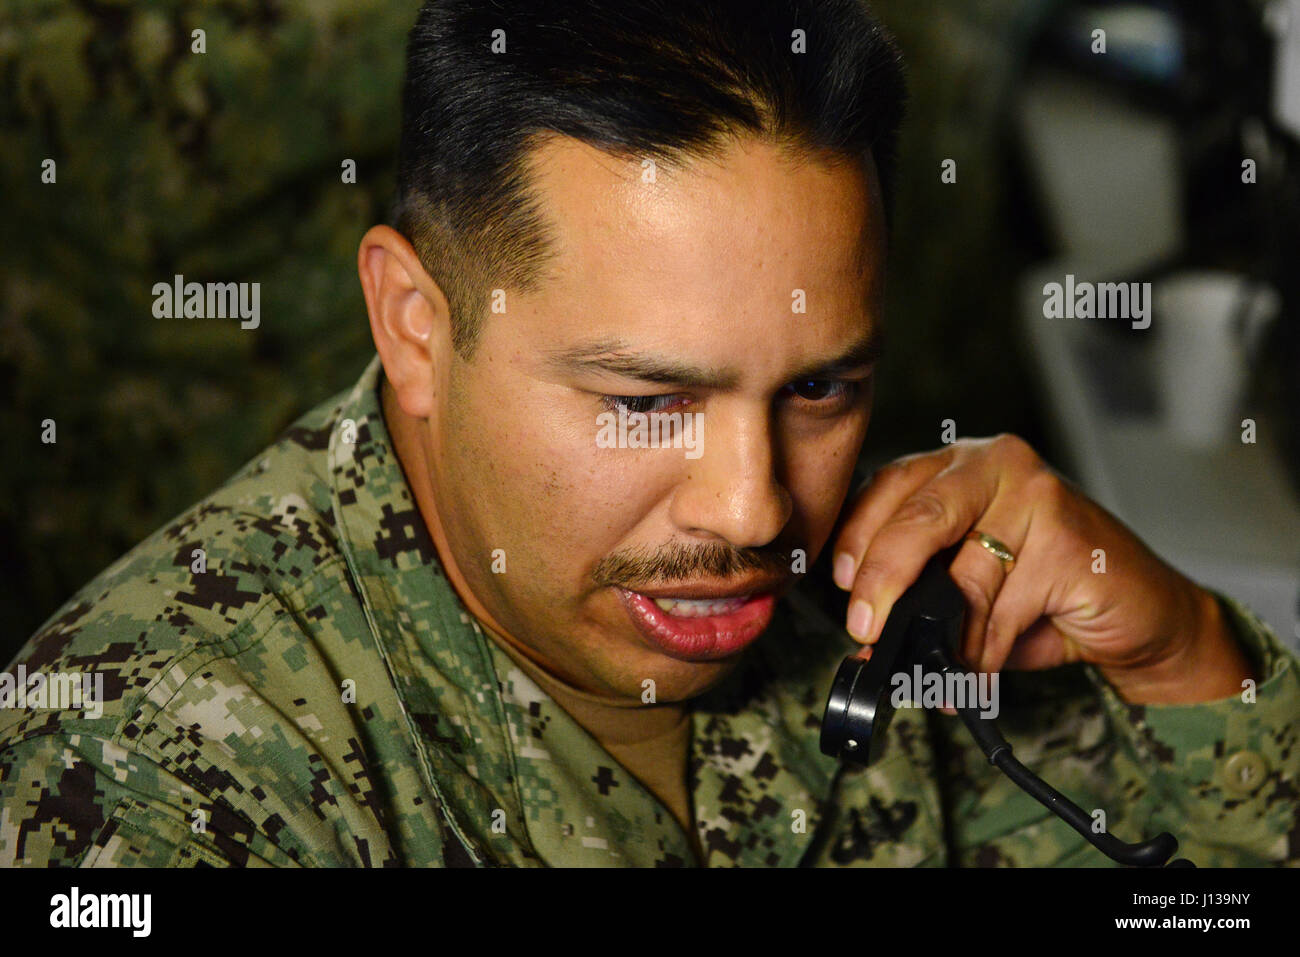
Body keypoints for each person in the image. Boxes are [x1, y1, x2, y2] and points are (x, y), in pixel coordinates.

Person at [2, 0, 1295, 867]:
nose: (752, 511)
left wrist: (1188, 656)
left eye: (820, 390)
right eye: (645, 402)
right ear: (410, 324)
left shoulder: (900, 602)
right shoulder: (144, 773)